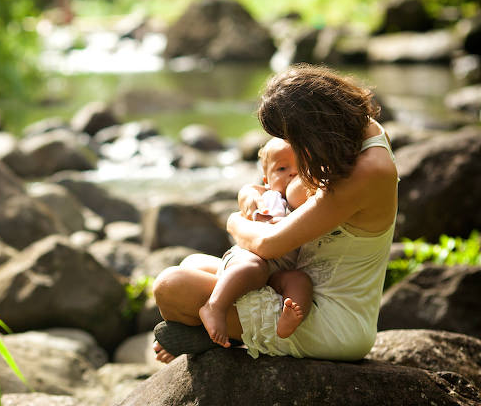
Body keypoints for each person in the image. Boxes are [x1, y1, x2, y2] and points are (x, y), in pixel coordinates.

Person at [153, 64, 398, 364]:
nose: (293, 148)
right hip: (289, 285)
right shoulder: (358, 130)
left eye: (293, 137)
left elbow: (268, 244)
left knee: (171, 287)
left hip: (325, 319)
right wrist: (251, 194)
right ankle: (213, 332)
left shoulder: (368, 171)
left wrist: (233, 221)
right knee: (193, 263)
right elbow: (277, 194)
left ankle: (209, 332)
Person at [198, 137, 314, 350]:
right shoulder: (269, 198)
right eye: (282, 168)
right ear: (266, 180)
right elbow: (255, 210)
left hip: (279, 273)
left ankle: (290, 319)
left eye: (301, 167)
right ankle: (215, 306)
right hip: (249, 259)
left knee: (300, 281)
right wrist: (259, 210)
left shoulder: (307, 203)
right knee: (254, 267)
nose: (292, 173)